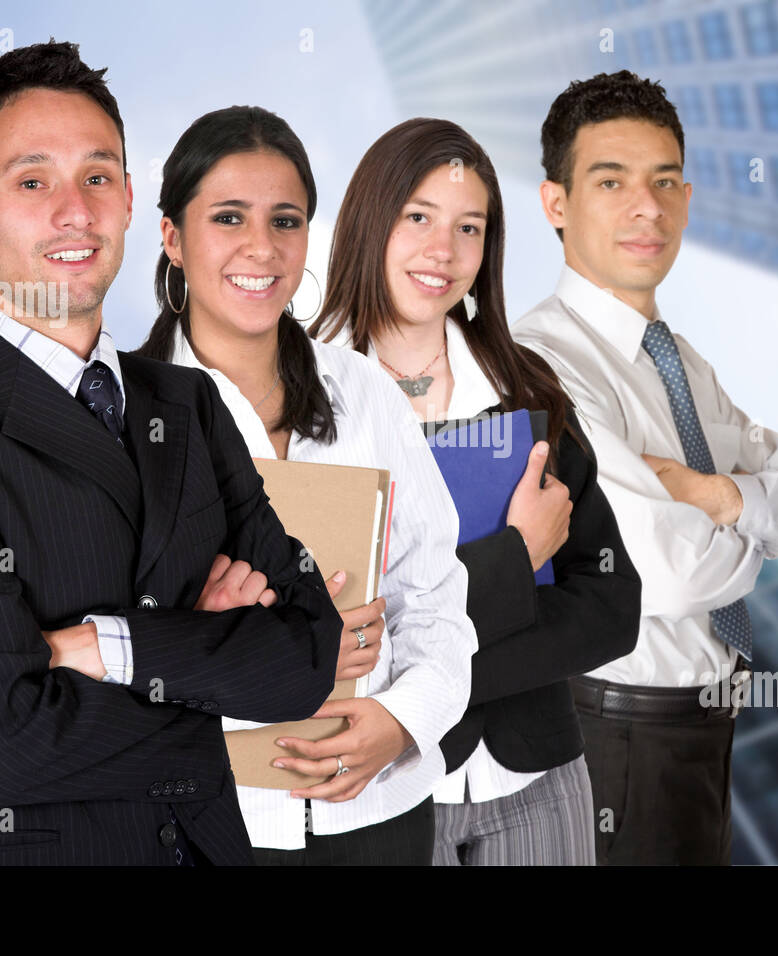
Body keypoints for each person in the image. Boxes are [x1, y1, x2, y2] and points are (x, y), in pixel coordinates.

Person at [0, 41, 342, 866]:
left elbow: (303, 662)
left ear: (133, 199)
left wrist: (104, 649)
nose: (75, 211)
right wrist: (206, 675)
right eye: (32, 181)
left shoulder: (187, 402)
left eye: (98, 177)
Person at [136, 106, 477, 865]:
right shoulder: (121, 417)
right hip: (209, 822)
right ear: (171, 237)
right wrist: (226, 641)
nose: (262, 247)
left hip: (378, 814)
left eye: (285, 221)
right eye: (228, 217)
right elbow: (94, 648)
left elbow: (436, 598)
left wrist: (401, 720)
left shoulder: (367, 391)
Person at [309, 118, 642, 865]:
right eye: (418, 217)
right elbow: (326, 631)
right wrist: (516, 560)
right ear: (370, 221)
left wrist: (424, 678)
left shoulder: (527, 392)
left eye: (471, 227)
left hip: (540, 781)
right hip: (389, 785)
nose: (444, 251)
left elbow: (611, 608)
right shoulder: (305, 400)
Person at [512, 70, 778, 865]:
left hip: (702, 731)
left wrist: (711, 493)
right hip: (615, 737)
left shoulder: (681, 361)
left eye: (664, 182)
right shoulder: (544, 362)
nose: (647, 207)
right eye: (610, 182)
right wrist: (747, 518)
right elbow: (668, 576)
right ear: (556, 204)